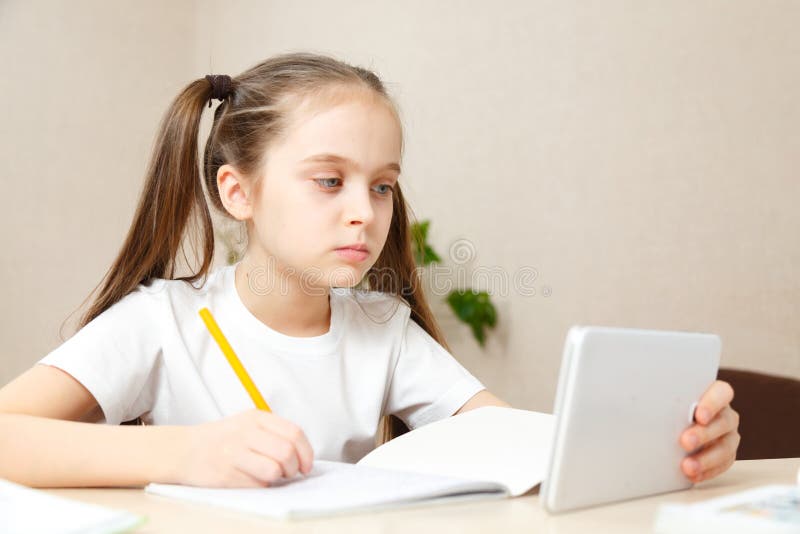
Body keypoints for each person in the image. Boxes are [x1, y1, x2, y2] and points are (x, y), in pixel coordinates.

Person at [0, 52, 739, 489]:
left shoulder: (381, 328)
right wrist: (188, 451)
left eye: (382, 185)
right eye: (330, 181)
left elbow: (505, 438)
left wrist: (672, 440)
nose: (367, 212)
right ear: (238, 191)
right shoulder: (159, 321)